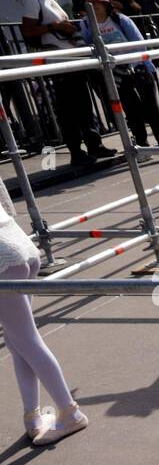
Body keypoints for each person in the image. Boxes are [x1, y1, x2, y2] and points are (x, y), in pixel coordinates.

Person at [0, 187, 87, 445]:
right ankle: (33, 416)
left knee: (25, 341)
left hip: (3, 257)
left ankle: (70, 412)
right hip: (16, 241)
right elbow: (6, 201)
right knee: (19, 342)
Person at [19, 0, 114, 167]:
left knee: (83, 104)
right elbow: (28, 31)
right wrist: (54, 26)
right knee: (69, 109)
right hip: (60, 60)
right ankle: (77, 152)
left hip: (70, 58)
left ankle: (94, 144)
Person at [79, 0, 159, 155]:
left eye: (95, 2)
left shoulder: (121, 19)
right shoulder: (85, 24)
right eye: (88, 3)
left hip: (137, 69)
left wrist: (133, 65)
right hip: (115, 74)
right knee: (132, 112)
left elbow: (139, 43)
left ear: (104, 3)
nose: (92, 6)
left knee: (151, 110)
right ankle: (143, 147)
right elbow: (87, 47)